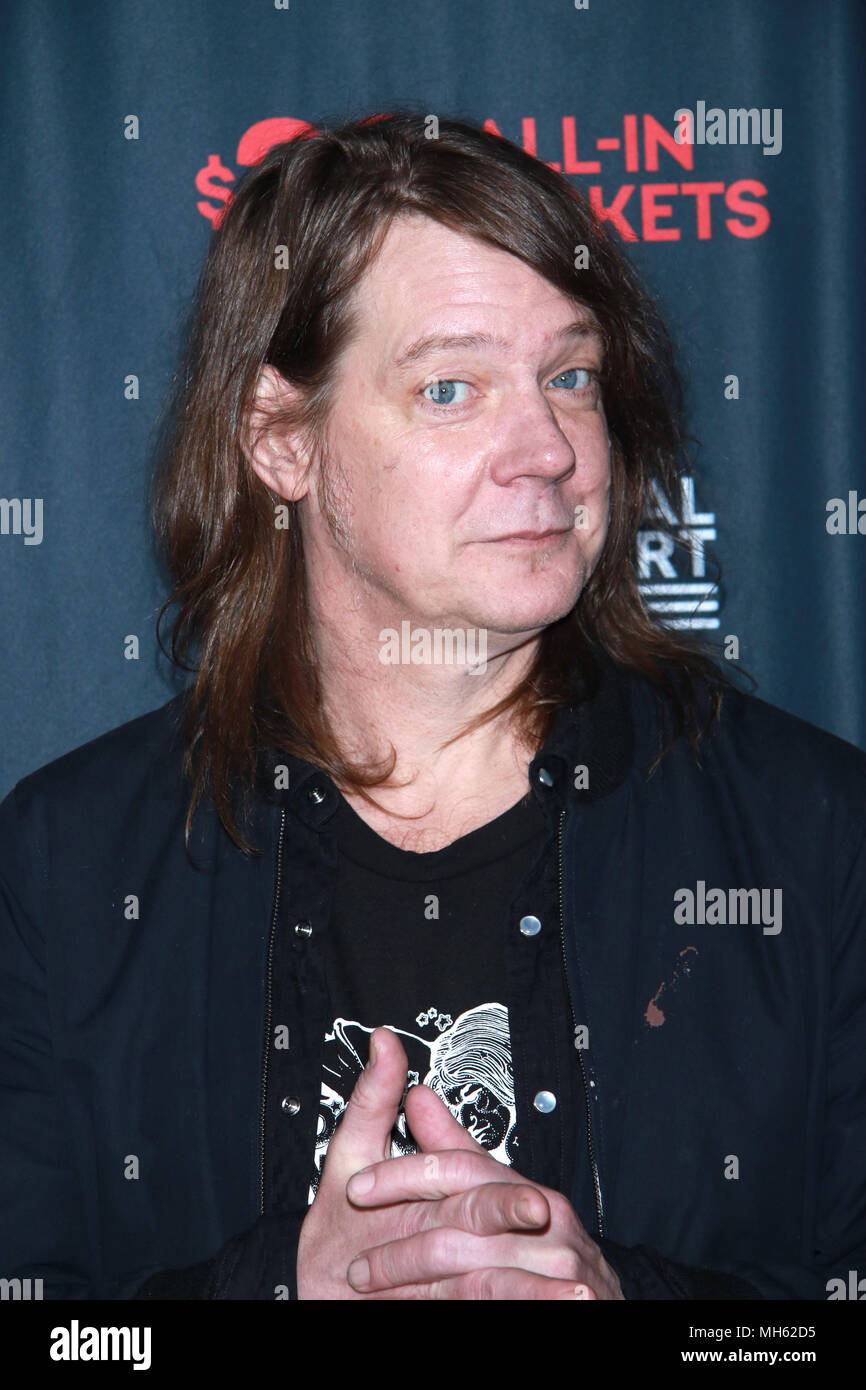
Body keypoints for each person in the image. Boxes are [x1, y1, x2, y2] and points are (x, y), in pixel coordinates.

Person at [1, 112, 864, 1302]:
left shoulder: (813, 833)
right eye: (450, 387)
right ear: (278, 440)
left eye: (567, 377)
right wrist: (275, 1292)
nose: (547, 451)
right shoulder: (71, 862)